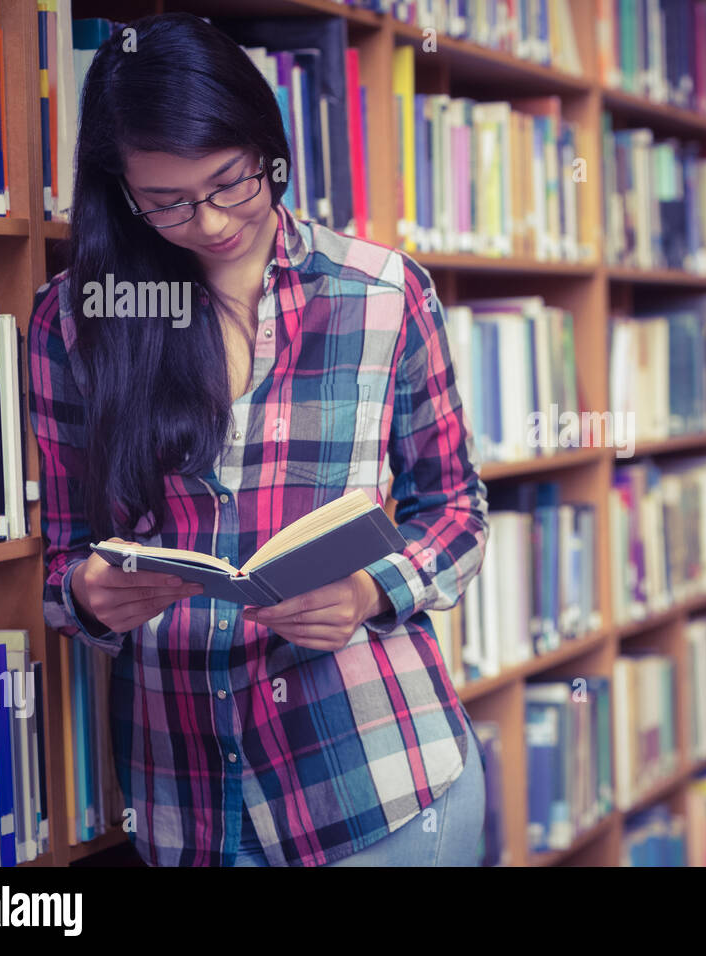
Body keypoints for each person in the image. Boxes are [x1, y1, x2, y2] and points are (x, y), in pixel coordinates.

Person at [27, 13, 488, 865]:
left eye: (231, 183)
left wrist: (368, 592)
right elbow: (59, 561)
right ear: (119, 192)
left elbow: (456, 509)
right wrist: (89, 596)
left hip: (375, 783)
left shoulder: (382, 293)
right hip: (185, 801)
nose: (207, 222)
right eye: (166, 202)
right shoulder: (75, 322)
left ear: (267, 145)